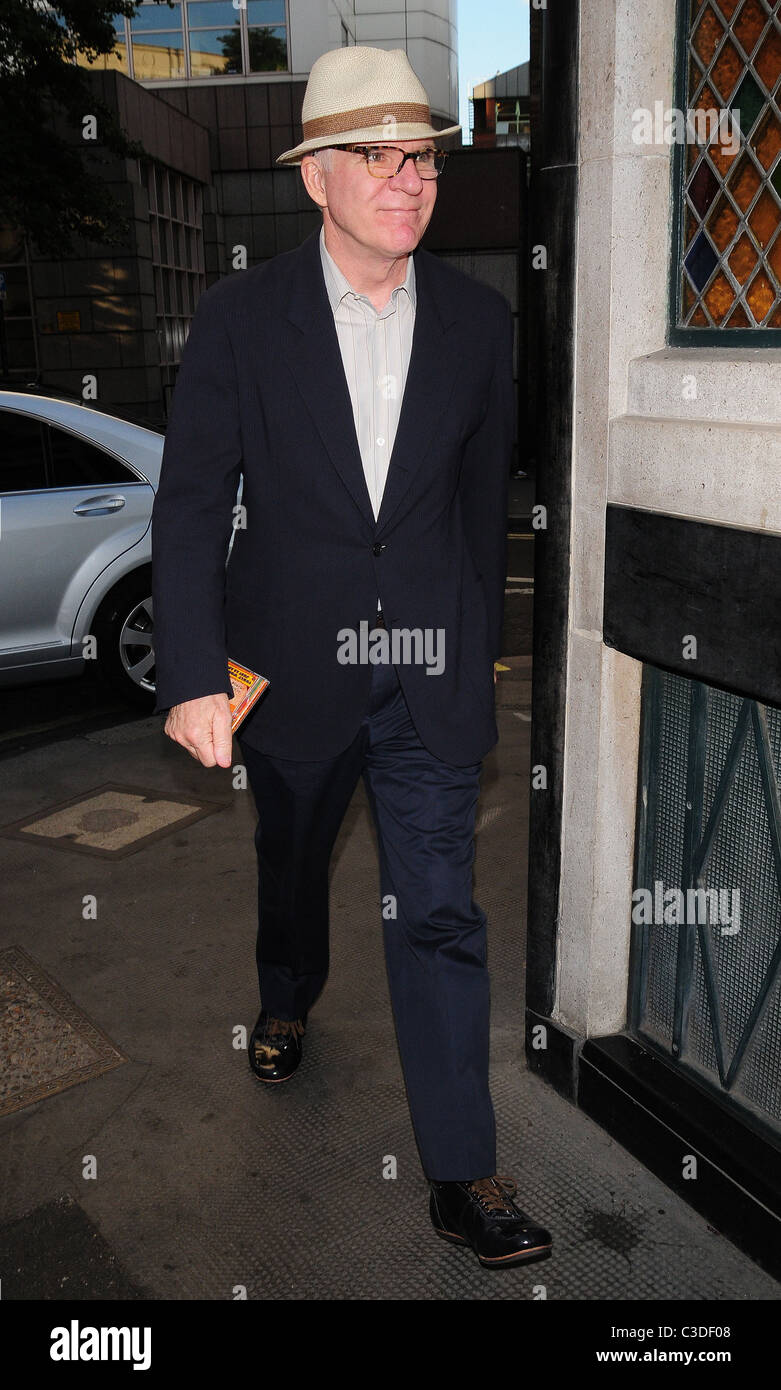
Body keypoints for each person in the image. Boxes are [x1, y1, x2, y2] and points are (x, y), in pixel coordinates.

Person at [151, 44, 552, 1269]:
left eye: (420, 156)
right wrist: (190, 675)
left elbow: (482, 515)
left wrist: (474, 657)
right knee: (291, 863)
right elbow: (187, 505)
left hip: (427, 675)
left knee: (439, 910)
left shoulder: (482, 326)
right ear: (316, 175)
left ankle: (460, 1173)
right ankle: (284, 992)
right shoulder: (238, 319)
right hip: (289, 674)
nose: (406, 179)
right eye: (376, 157)